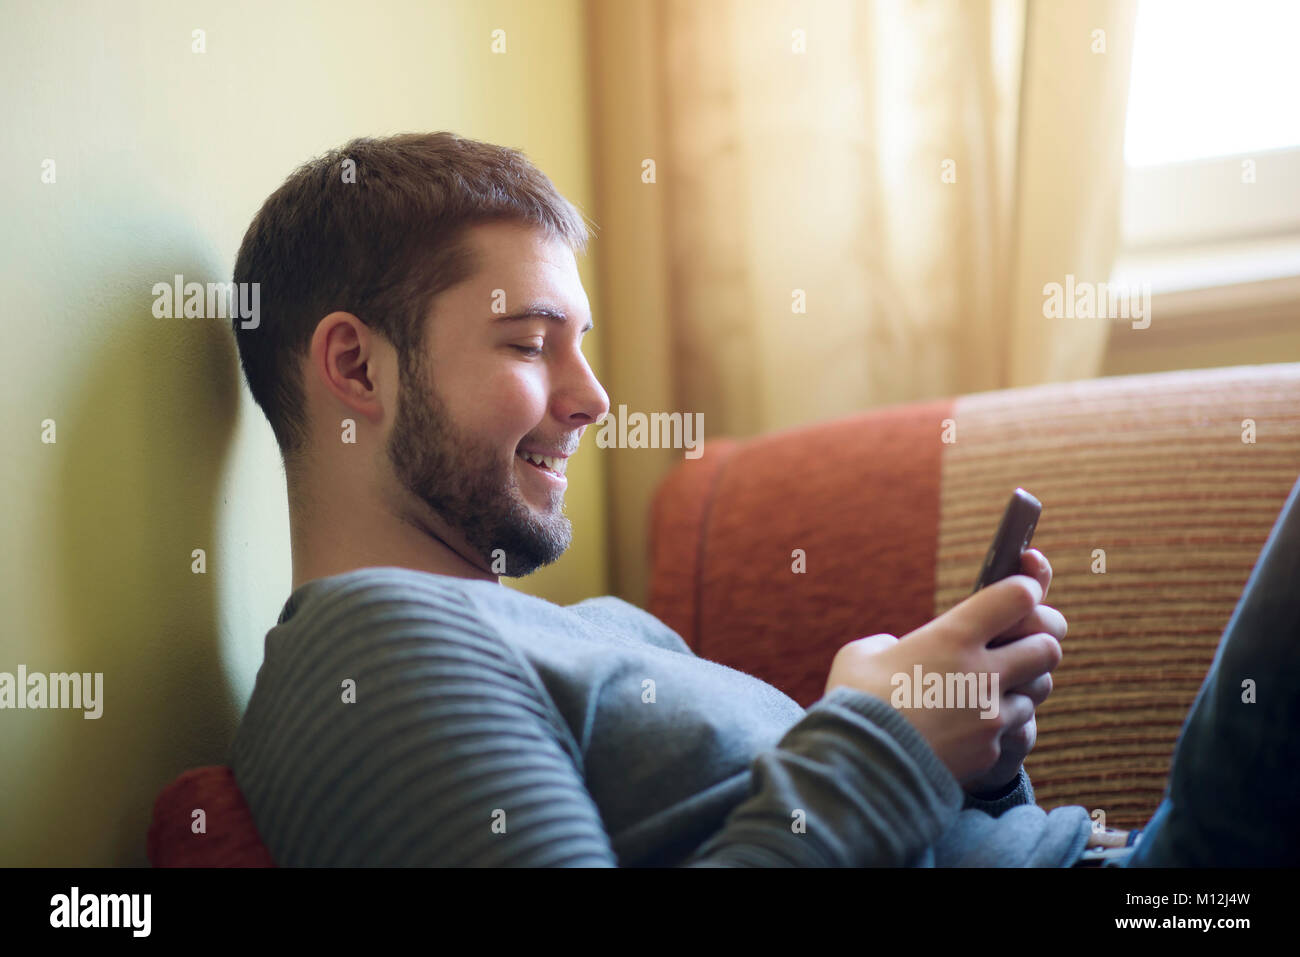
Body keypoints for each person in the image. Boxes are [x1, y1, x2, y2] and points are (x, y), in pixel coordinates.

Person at [225, 132, 1293, 867]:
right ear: (357, 371)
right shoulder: (361, 652)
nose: (594, 398)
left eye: (581, 350)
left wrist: (971, 767)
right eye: (527, 343)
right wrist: (885, 738)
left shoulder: (596, 633)